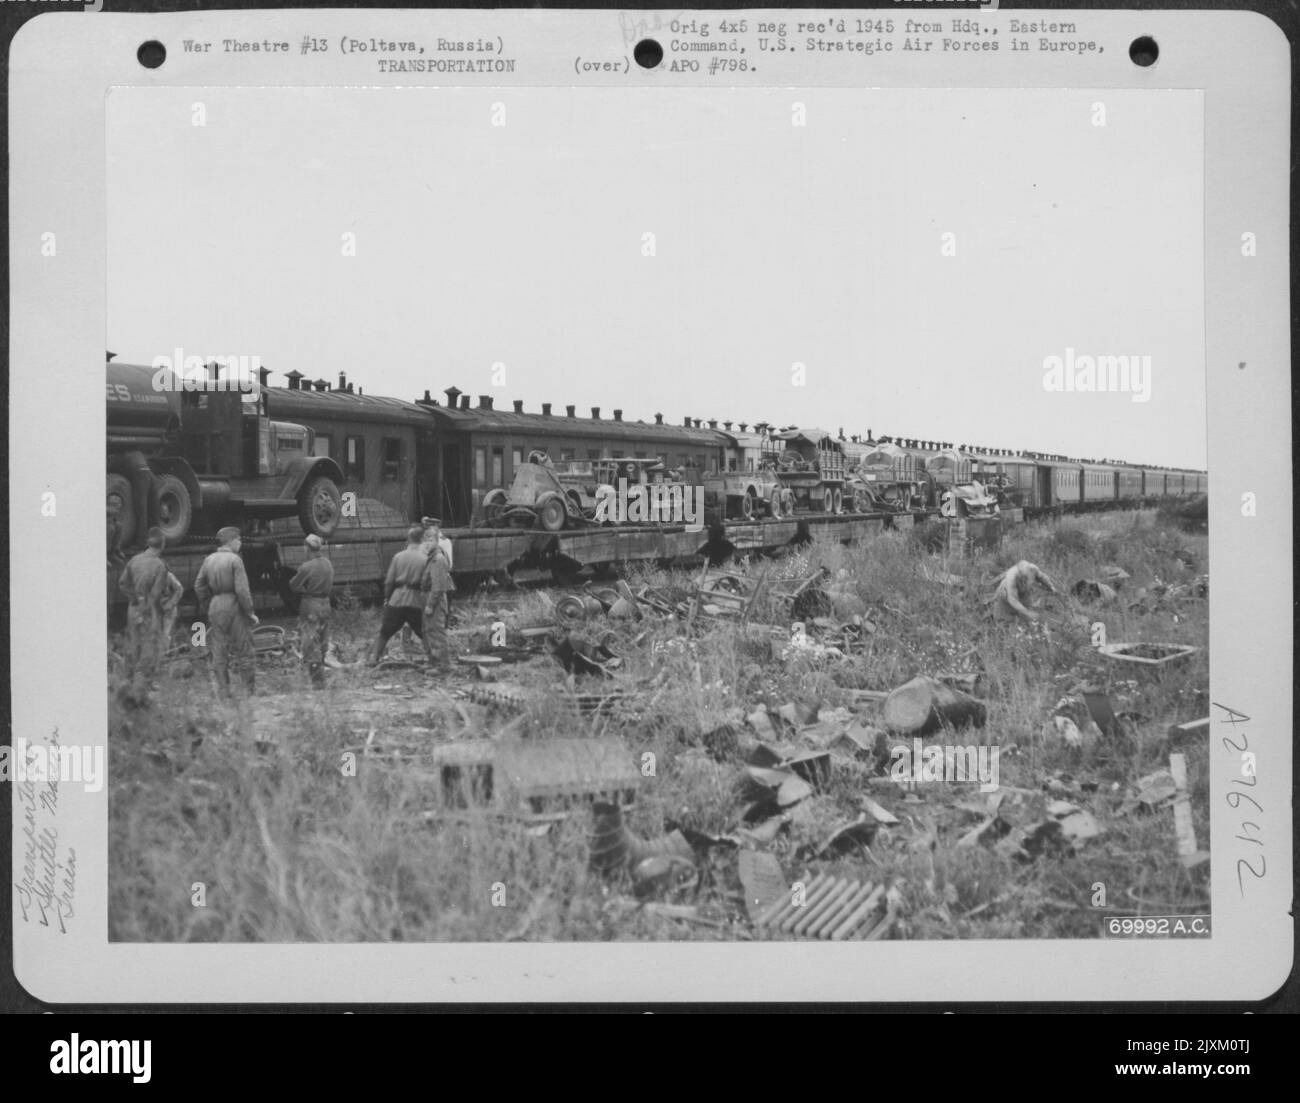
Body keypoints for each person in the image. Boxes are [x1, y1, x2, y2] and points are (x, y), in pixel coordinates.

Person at [195, 526, 258, 695]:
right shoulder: (235, 560)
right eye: (238, 539)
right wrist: (250, 612)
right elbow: (242, 590)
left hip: (215, 604)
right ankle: (249, 690)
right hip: (233, 604)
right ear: (230, 541)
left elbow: (199, 586)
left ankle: (224, 690)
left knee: (219, 649)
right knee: (244, 647)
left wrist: (209, 604)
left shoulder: (208, 560)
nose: (240, 542)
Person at [369, 526, 436, 665]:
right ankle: (433, 659)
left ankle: (373, 658)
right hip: (416, 601)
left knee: (385, 632)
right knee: (423, 632)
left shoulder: (398, 557)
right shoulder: (425, 559)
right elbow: (428, 583)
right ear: (422, 539)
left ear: (408, 539)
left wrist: (387, 598)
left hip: (397, 599)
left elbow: (389, 582)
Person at [117, 527, 170, 694]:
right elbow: (155, 594)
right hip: (149, 610)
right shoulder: (160, 566)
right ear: (162, 545)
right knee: (151, 646)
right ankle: (146, 684)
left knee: (133, 643)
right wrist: (157, 613)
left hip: (133, 609)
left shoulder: (134, 560)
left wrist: (134, 598)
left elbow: (123, 583)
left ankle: (128, 680)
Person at [289, 534, 334, 688]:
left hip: (311, 604)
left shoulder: (306, 566)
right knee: (323, 639)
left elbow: (293, 585)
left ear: (306, 548)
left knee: (310, 642)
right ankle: (321, 677)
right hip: (326, 604)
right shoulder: (328, 563)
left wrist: (305, 588)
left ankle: (318, 683)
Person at [422, 536, 456, 669]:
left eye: (430, 540)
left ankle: (443, 665)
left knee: (437, 632)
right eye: (425, 540)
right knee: (430, 631)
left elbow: (438, 586)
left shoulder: (438, 559)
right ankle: (434, 662)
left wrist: (430, 604)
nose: (426, 543)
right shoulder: (431, 558)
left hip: (435, 600)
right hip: (431, 597)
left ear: (436, 542)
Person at [992, 560, 1060, 623]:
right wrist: (1028, 612)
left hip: (1023, 593)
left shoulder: (1033, 569)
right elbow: (1012, 600)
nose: (1025, 580)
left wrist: (1052, 588)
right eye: (1023, 578)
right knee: (1004, 620)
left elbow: (1043, 578)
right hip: (1005, 596)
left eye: (1026, 578)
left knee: (1027, 619)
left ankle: (1026, 623)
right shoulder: (1011, 578)